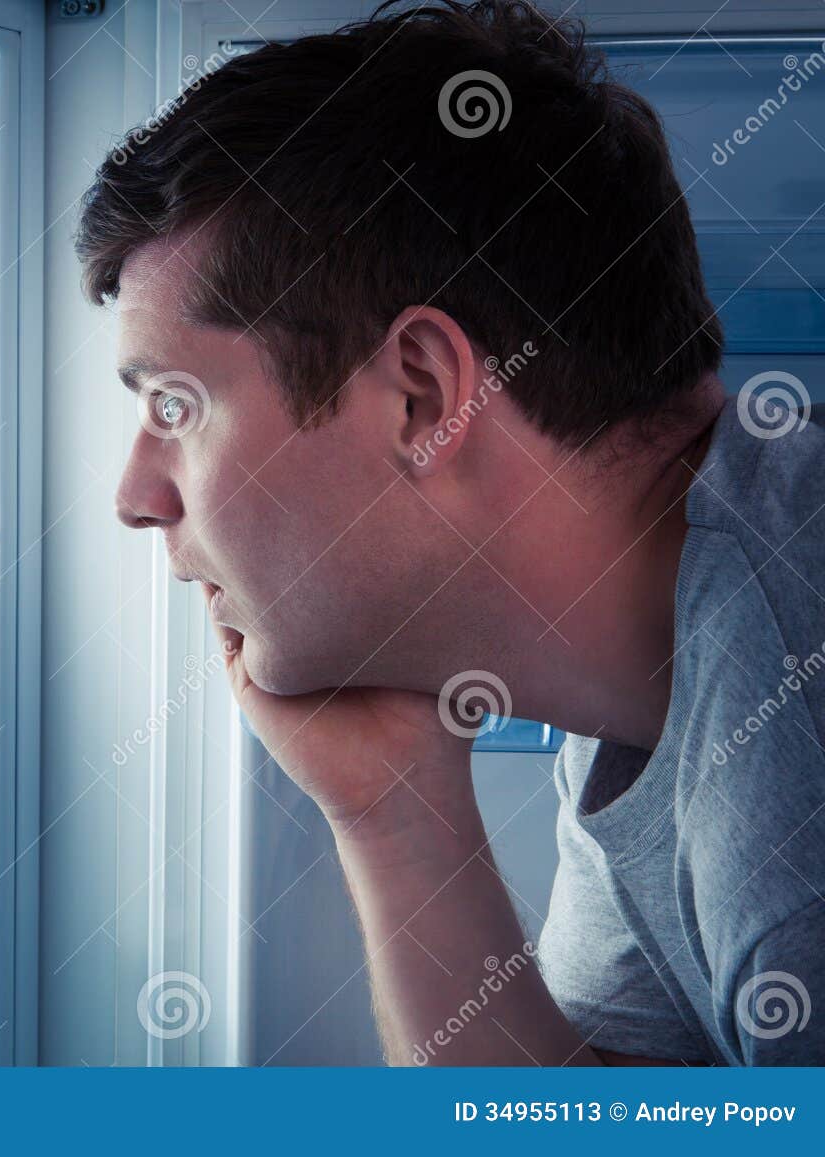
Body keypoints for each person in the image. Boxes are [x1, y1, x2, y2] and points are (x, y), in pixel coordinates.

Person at [78, 0, 825, 1064]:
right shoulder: (654, 659)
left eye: (176, 408)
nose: (136, 494)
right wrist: (392, 810)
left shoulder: (796, 753)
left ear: (423, 395)